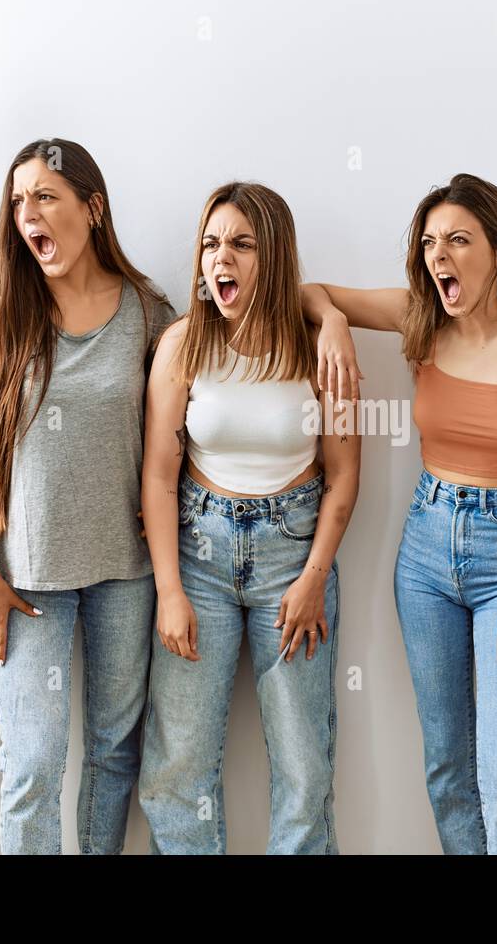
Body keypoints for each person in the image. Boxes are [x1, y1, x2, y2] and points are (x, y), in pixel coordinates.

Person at [301, 173, 497, 854]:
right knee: (448, 767)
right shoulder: (420, 318)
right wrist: (333, 323)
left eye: (459, 240)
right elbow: (307, 291)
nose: (440, 256)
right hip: (425, 550)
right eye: (430, 243)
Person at [0, 139, 175, 854]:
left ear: (92, 207)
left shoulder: (148, 311)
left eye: (45, 195)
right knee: (34, 764)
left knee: (114, 753)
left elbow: (177, 433)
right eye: (18, 201)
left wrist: (323, 312)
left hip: (126, 571)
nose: (28, 214)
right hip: (26, 579)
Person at [137, 182, 360, 854]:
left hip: (294, 556)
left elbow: (345, 474)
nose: (220, 258)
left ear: (274, 255)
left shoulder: (319, 349)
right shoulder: (182, 344)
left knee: (303, 763)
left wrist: (315, 575)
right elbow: (157, 472)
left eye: (240, 244)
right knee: (178, 764)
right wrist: (170, 591)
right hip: (197, 553)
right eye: (210, 244)